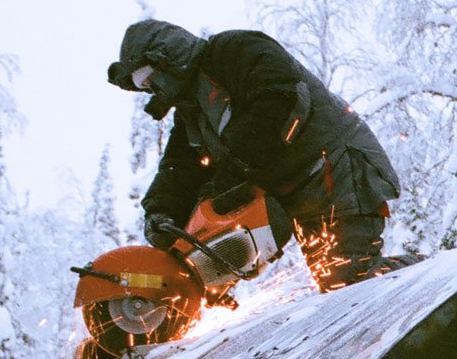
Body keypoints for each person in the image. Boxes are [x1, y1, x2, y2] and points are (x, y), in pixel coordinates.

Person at [108, 20, 416, 292]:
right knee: (336, 282)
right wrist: (161, 211)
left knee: (351, 279)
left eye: (147, 78)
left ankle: (437, 278)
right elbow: (180, 169)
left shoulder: (234, 51)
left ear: (166, 57)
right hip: (305, 193)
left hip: (337, 168)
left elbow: (281, 99)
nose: (150, 89)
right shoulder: (193, 112)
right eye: (141, 86)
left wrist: (233, 166)